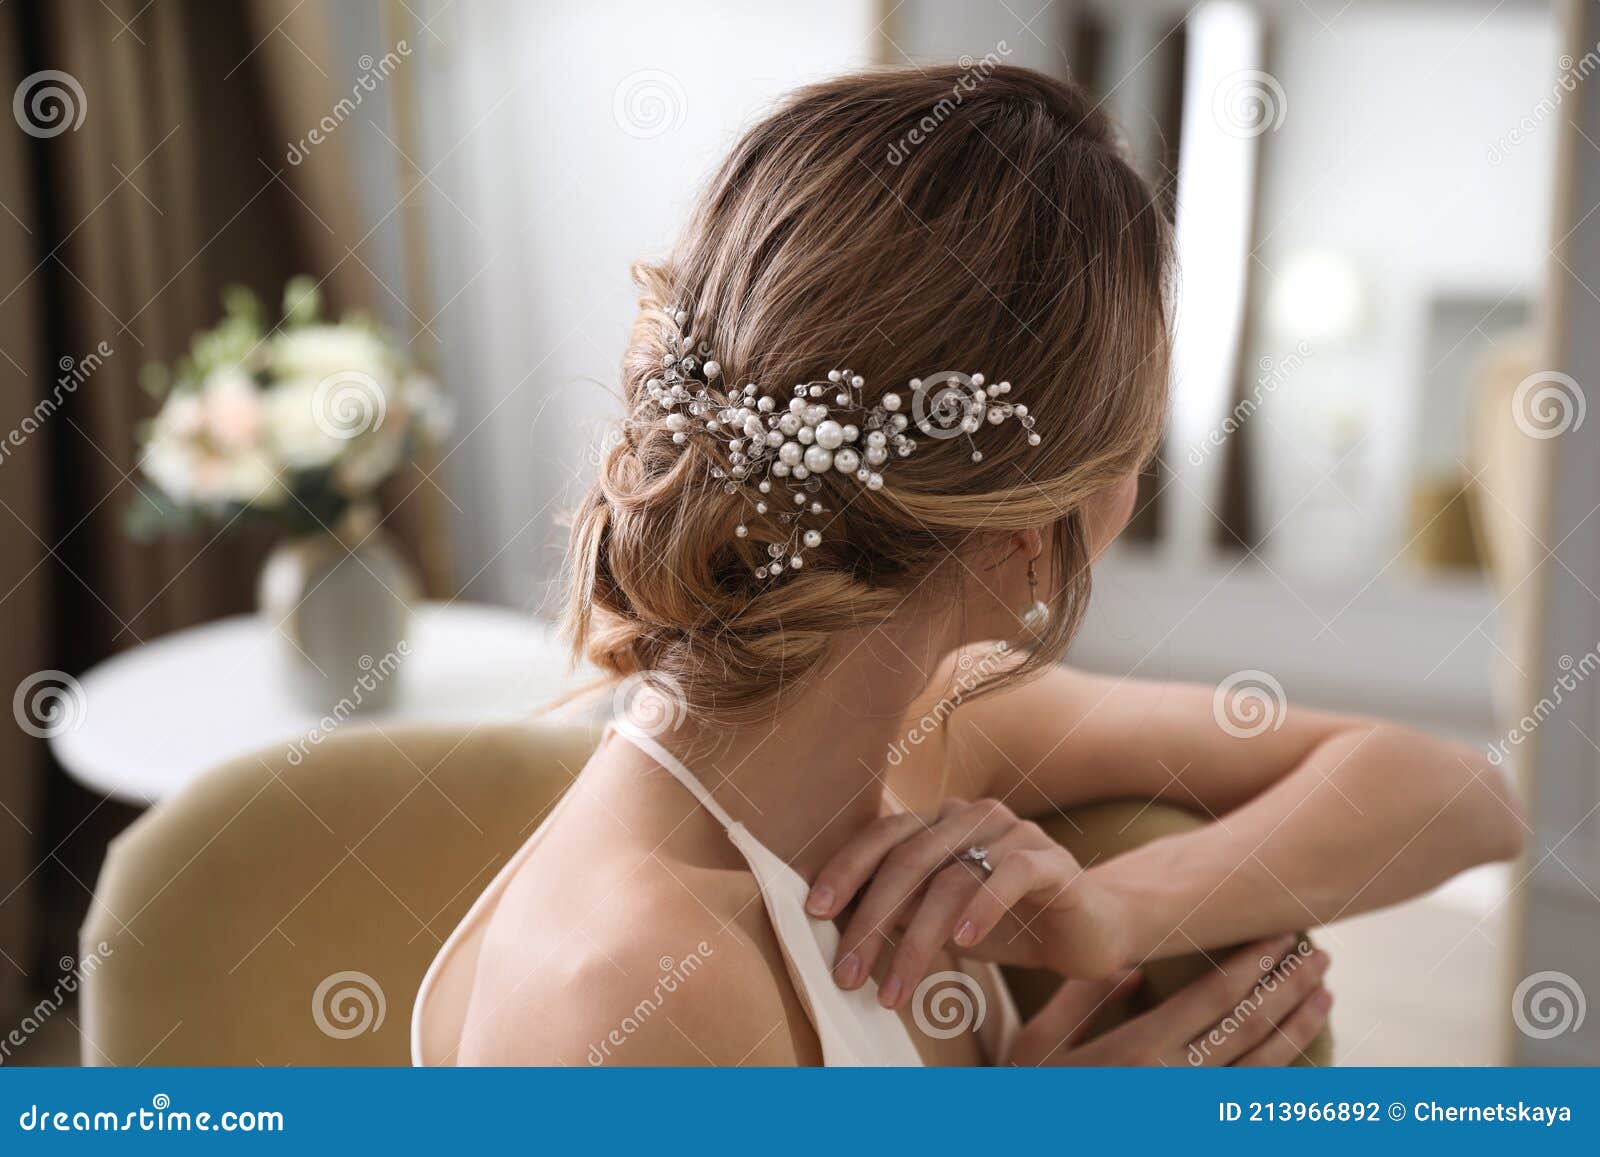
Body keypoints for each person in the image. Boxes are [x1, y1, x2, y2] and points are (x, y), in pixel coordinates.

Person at [412, 65, 1521, 1067]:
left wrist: (1114, 909)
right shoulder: (636, 996)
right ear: (1030, 528)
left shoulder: (931, 726)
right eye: (1132, 452)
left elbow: (1463, 797)